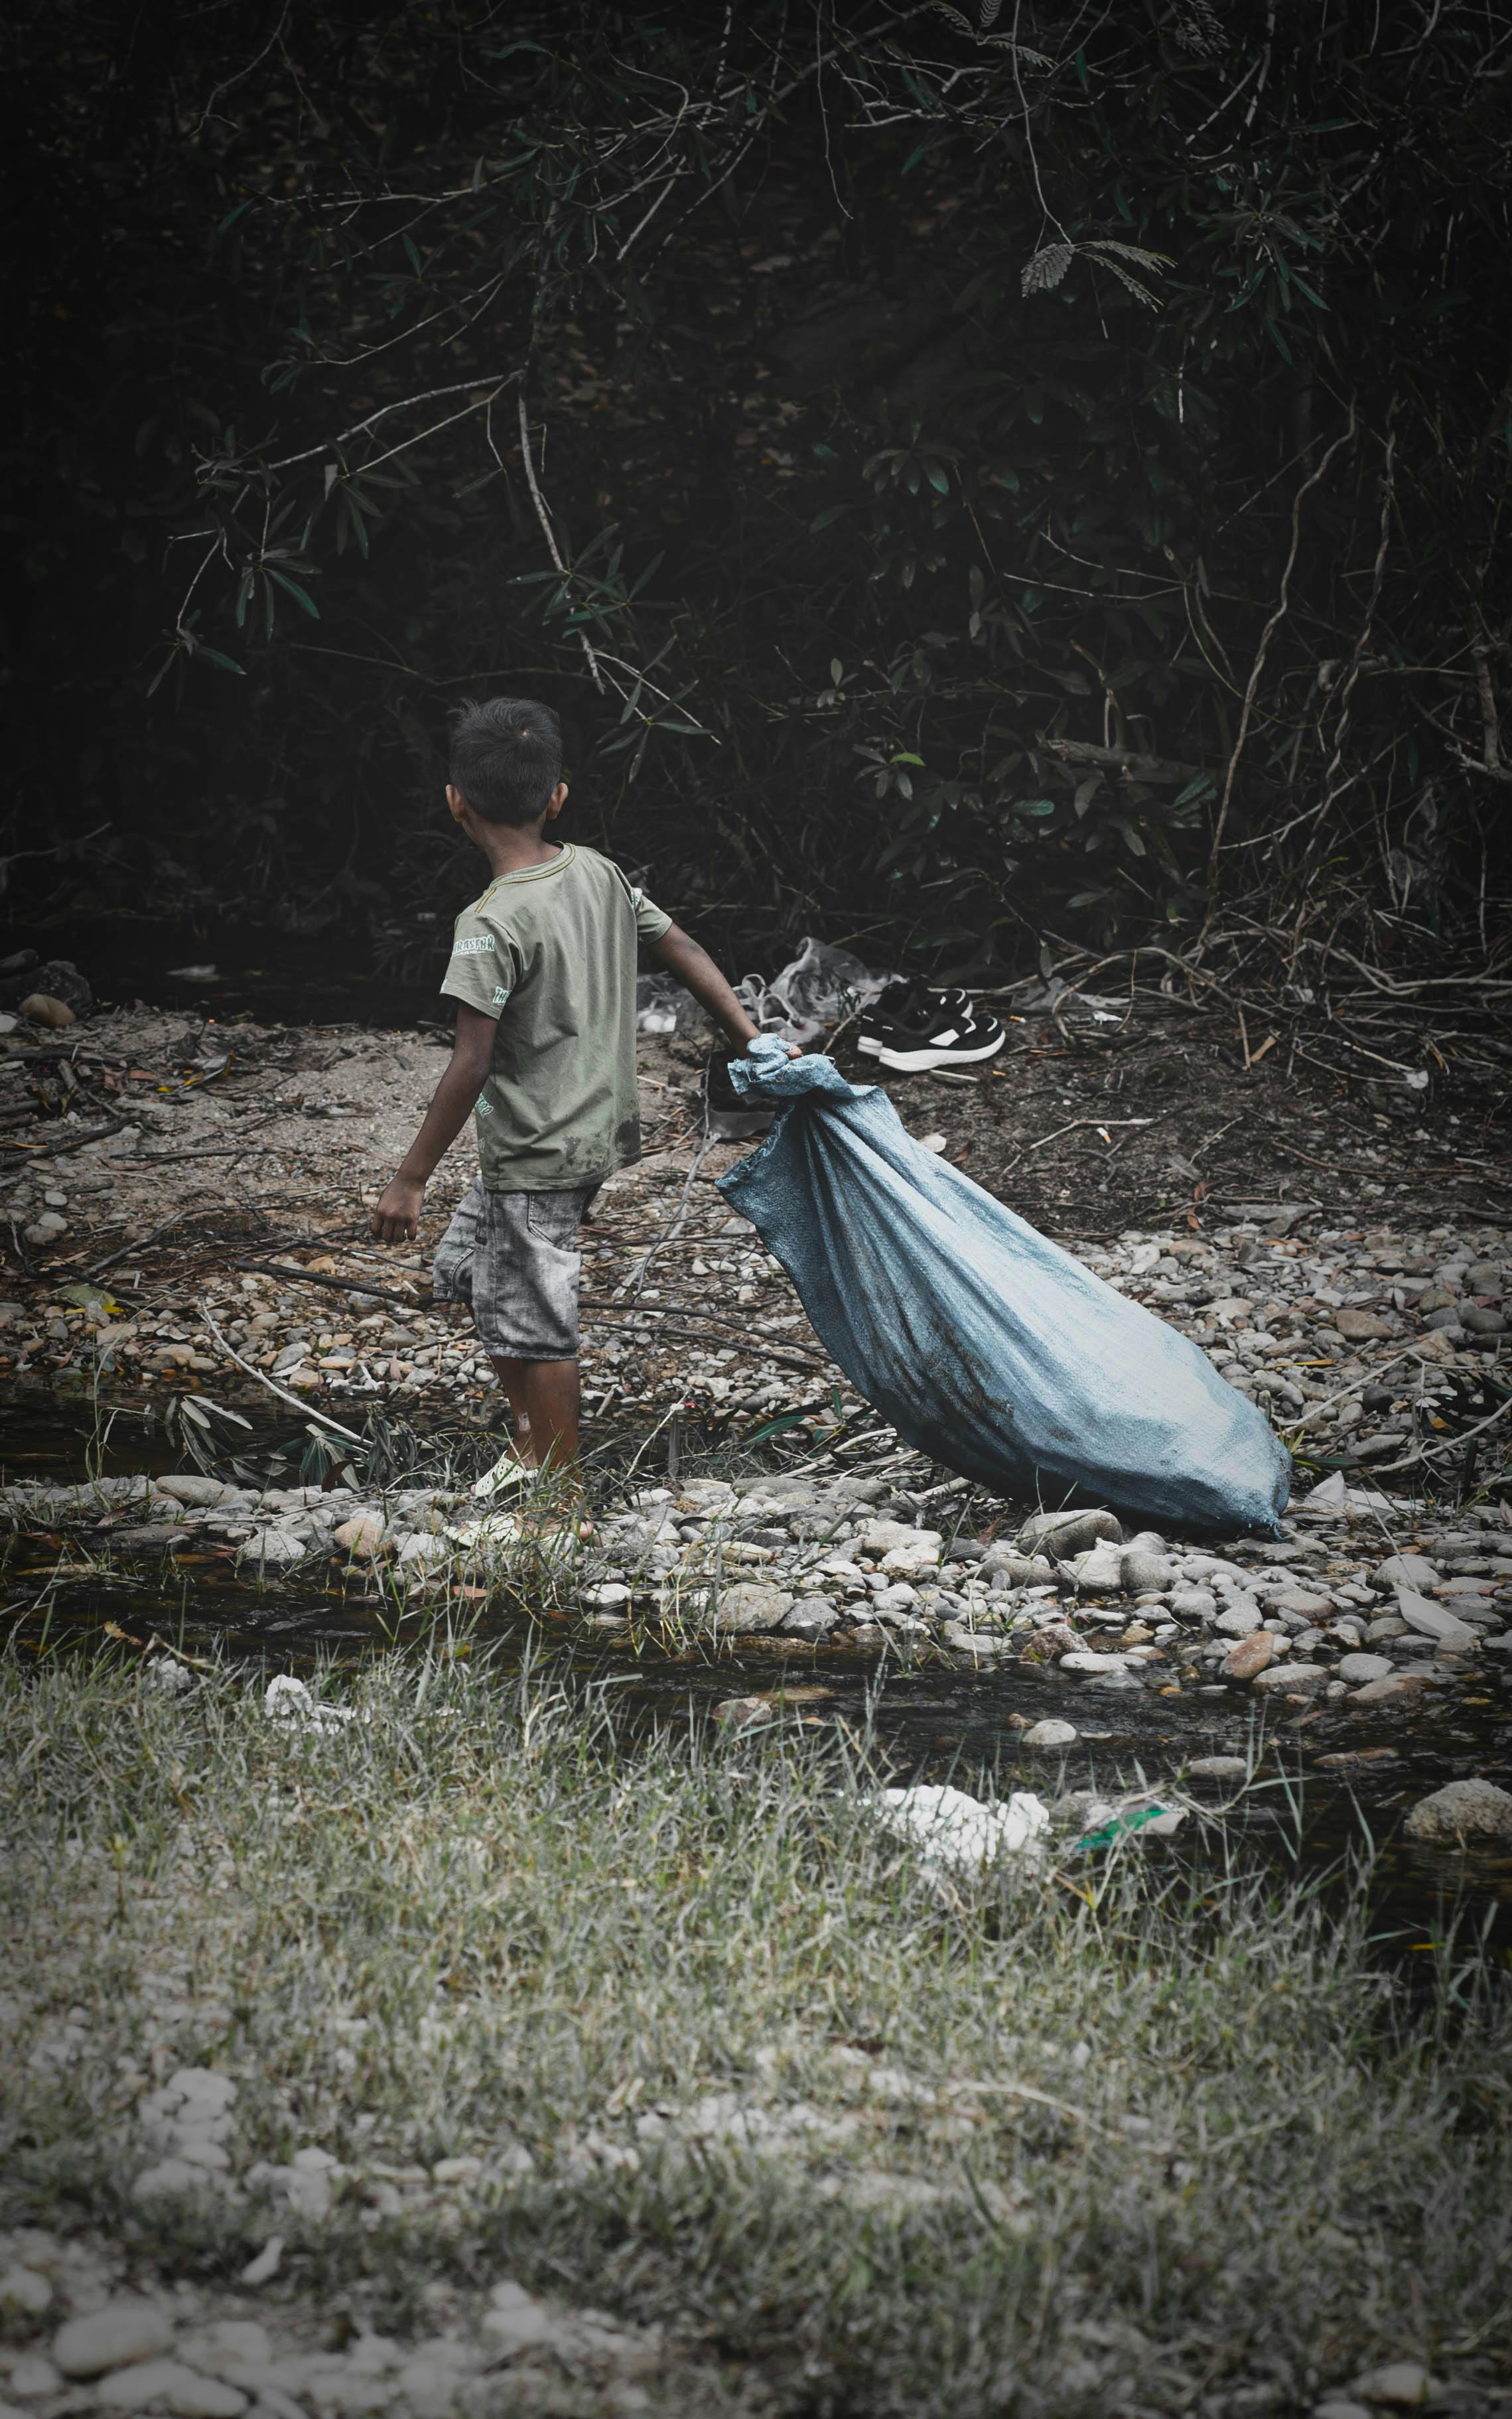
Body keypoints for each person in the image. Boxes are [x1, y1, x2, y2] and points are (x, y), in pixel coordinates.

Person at [369, 695, 786, 1497]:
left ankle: (560, 1499)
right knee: (468, 1269)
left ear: (454, 802)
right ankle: (531, 1443)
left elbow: (469, 1064)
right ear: (556, 797)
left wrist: (410, 1178)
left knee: (538, 1320)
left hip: (539, 1149)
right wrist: (749, 1037)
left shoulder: (488, 922)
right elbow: (681, 945)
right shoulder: (597, 872)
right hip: (592, 1134)